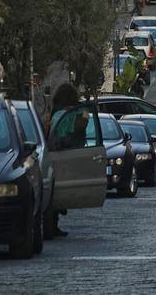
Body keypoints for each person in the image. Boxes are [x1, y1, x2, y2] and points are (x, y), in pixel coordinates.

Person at [48, 82, 89, 237]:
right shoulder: (71, 115)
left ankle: (53, 223)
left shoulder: (55, 112)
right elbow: (83, 123)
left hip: (53, 153)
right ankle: (52, 223)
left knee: (56, 190)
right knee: (59, 191)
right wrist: (82, 109)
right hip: (67, 153)